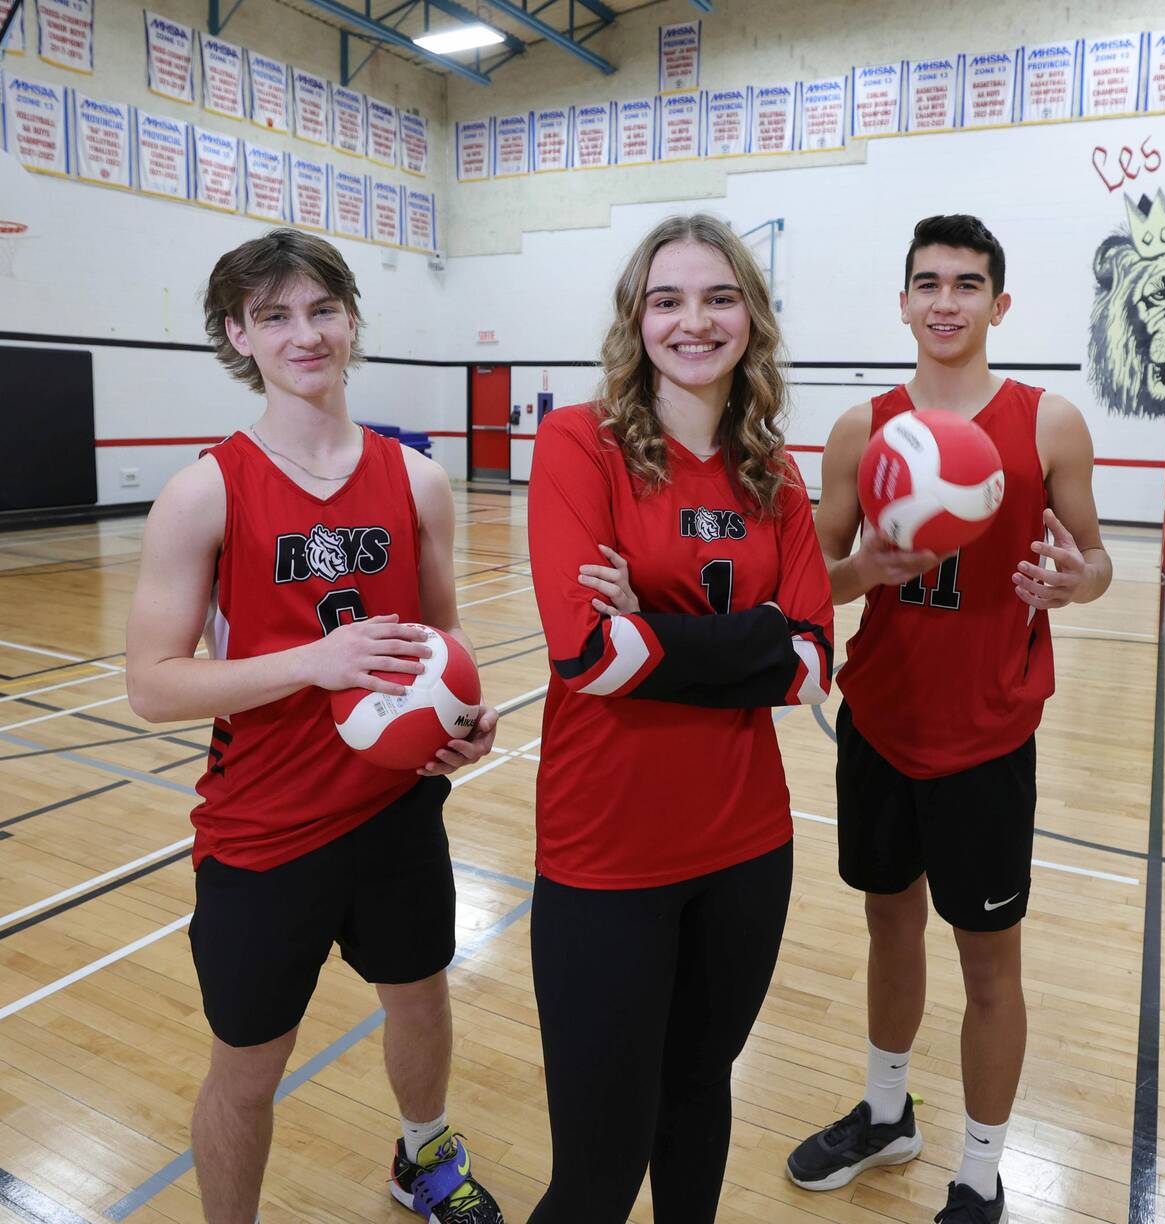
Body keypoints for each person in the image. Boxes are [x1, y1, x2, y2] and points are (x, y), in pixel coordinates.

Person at [125, 228, 506, 1224]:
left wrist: (460, 718)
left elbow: (440, 632)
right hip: (262, 832)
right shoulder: (202, 492)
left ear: (350, 323)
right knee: (248, 1070)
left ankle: (422, 1160)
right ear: (236, 337)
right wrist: (312, 663)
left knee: (420, 999)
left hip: (394, 813)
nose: (305, 334)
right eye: (275, 316)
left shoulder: (417, 481)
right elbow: (153, 686)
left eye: (322, 310)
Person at [786, 215, 1113, 1224]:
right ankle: (887, 1114)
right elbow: (815, 583)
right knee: (888, 924)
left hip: (985, 735)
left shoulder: (1046, 423)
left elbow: (1096, 562)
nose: (943, 301)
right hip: (879, 723)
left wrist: (1070, 582)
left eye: (965, 285)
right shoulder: (859, 429)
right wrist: (863, 570)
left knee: (987, 957)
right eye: (926, 283)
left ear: (997, 305)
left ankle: (980, 1170)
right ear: (902, 302)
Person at [523, 213, 835, 1222]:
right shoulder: (579, 444)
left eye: (717, 297)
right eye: (666, 299)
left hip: (745, 849)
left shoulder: (777, 476)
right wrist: (749, 637)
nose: (692, 321)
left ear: (749, 317)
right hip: (603, 854)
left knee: (698, 1102)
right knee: (598, 1172)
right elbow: (585, 655)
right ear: (635, 319)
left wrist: (650, 628)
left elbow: (806, 668)